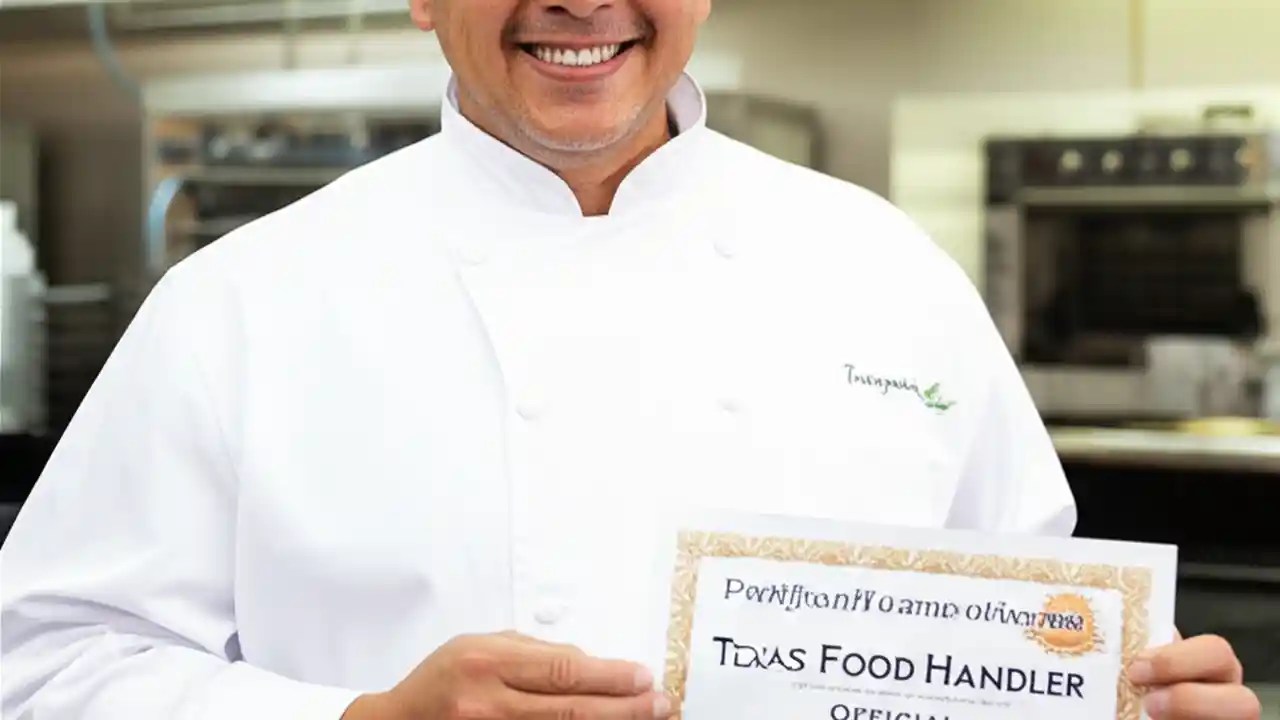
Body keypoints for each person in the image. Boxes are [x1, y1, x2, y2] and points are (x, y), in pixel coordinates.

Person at [0, 1, 1260, 719]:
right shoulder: (239, 301)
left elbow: (1031, 652)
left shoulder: (886, 269)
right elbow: (44, 662)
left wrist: (1138, 705)